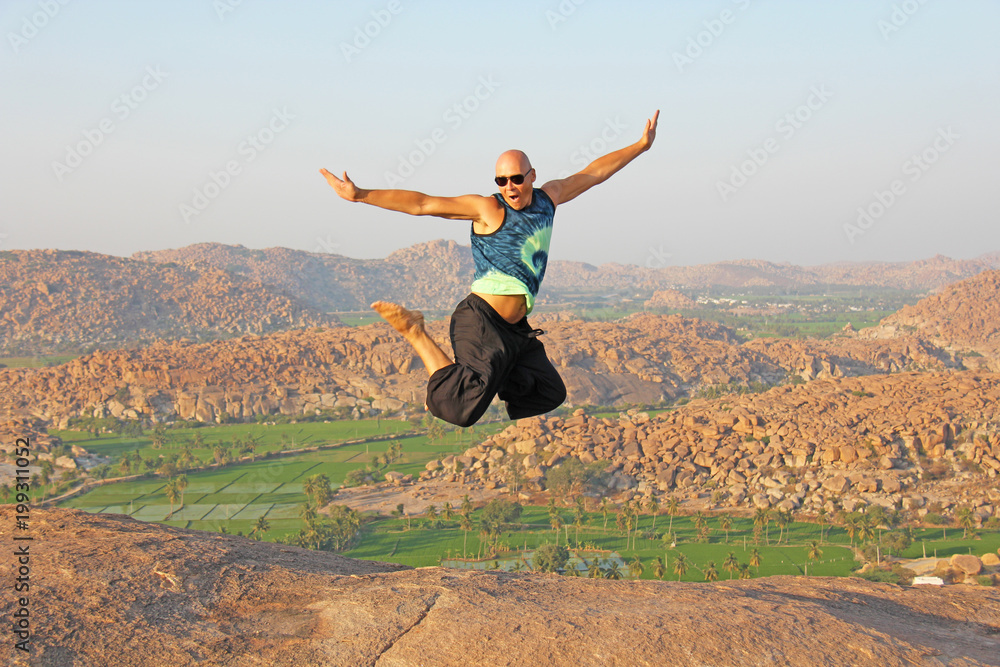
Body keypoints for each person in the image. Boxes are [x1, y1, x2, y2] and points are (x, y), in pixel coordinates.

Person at [320, 110, 658, 427]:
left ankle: (457, 383)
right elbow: (423, 204)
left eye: (516, 178)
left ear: (532, 176)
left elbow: (594, 173)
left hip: (515, 331)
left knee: (549, 392)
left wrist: (641, 146)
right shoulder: (487, 209)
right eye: (501, 180)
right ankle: (415, 332)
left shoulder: (548, 198)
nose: (509, 186)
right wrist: (360, 194)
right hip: (481, 320)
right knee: (459, 413)